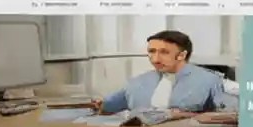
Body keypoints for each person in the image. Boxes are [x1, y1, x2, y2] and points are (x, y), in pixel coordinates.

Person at [93, 30, 236, 117]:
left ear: (181, 55)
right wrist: (99, 105)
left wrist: (184, 115)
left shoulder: (210, 81)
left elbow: (232, 115)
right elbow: (106, 107)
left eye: (164, 52)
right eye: (151, 52)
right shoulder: (137, 82)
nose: (155, 59)